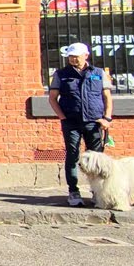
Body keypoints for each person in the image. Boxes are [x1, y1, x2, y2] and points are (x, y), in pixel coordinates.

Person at [48, 42, 113, 207]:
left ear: (86, 55)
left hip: (94, 121)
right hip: (71, 121)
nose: (72, 59)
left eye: (76, 56)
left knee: (96, 158)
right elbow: (52, 98)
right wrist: (62, 117)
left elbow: (106, 96)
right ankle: (73, 191)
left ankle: (96, 192)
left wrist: (107, 118)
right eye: (70, 56)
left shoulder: (98, 73)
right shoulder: (61, 74)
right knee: (72, 155)